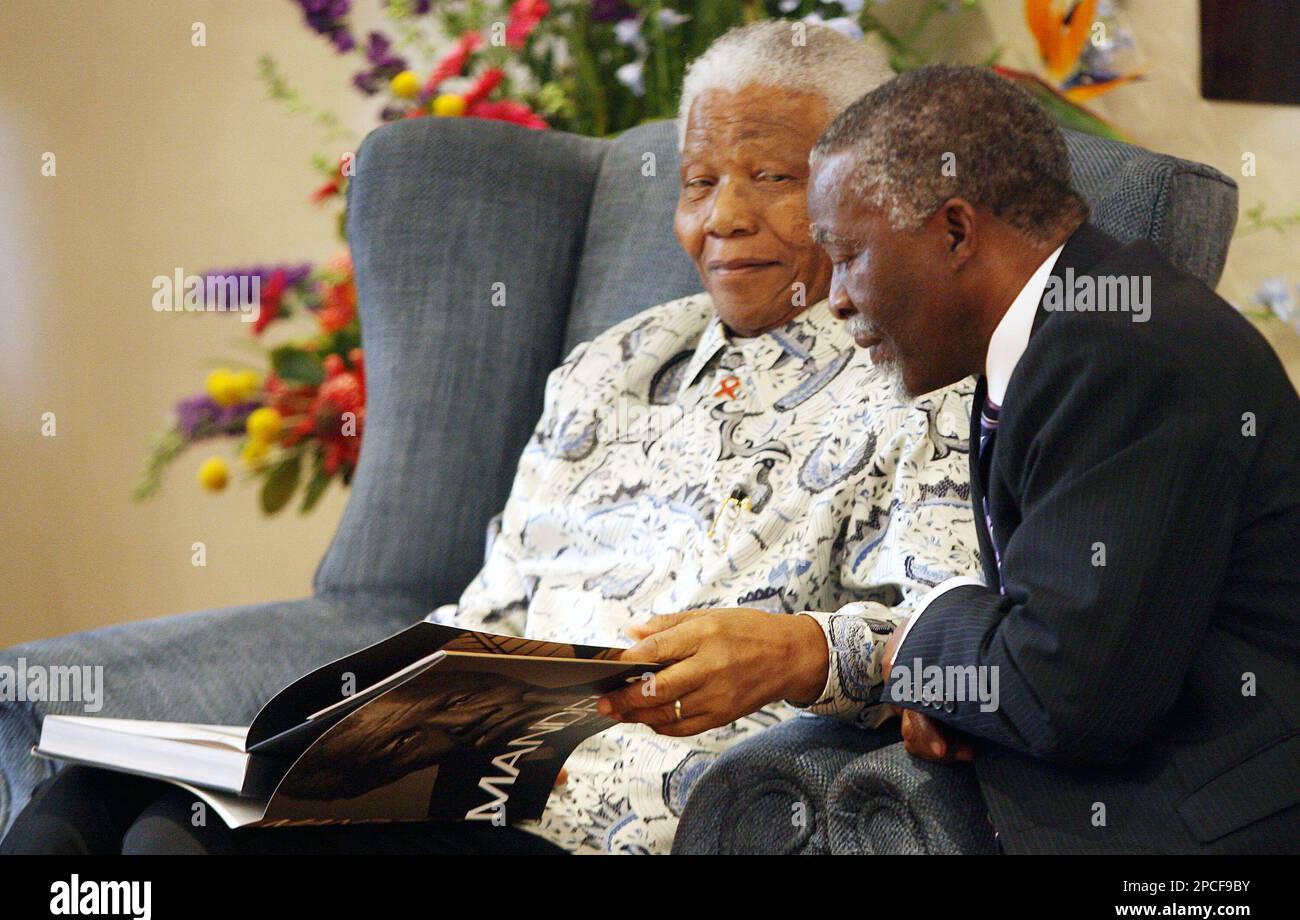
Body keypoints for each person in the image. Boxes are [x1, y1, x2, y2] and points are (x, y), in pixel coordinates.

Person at [1, 25, 979, 856]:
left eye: (771, 176)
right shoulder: (615, 360)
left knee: (171, 842)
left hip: (598, 803)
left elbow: (963, 653)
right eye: (697, 180)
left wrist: (804, 650)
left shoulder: (924, 378)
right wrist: (356, 718)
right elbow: (492, 600)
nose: (722, 217)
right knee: (91, 796)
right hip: (459, 747)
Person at [787, 64, 1297, 852]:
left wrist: (910, 647)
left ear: (955, 231)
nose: (837, 298)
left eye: (848, 254)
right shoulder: (1066, 334)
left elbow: (1062, 698)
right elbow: (1056, 635)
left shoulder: (1123, 353)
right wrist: (962, 688)